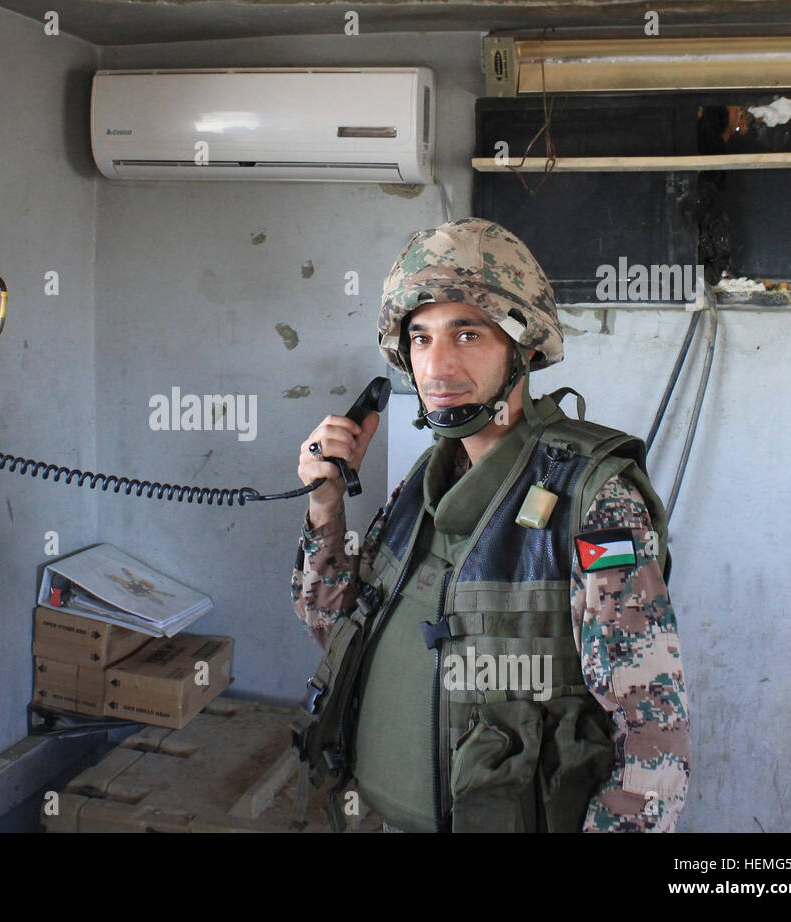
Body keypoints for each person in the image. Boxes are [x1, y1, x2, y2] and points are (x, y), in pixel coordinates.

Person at [289, 217, 690, 833]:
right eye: (419, 339)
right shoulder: (425, 480)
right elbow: (332, 629)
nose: (436, 368)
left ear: (524, 348)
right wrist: (326, 506)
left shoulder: (595, 500)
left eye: (467, 334)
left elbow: (652, 732)